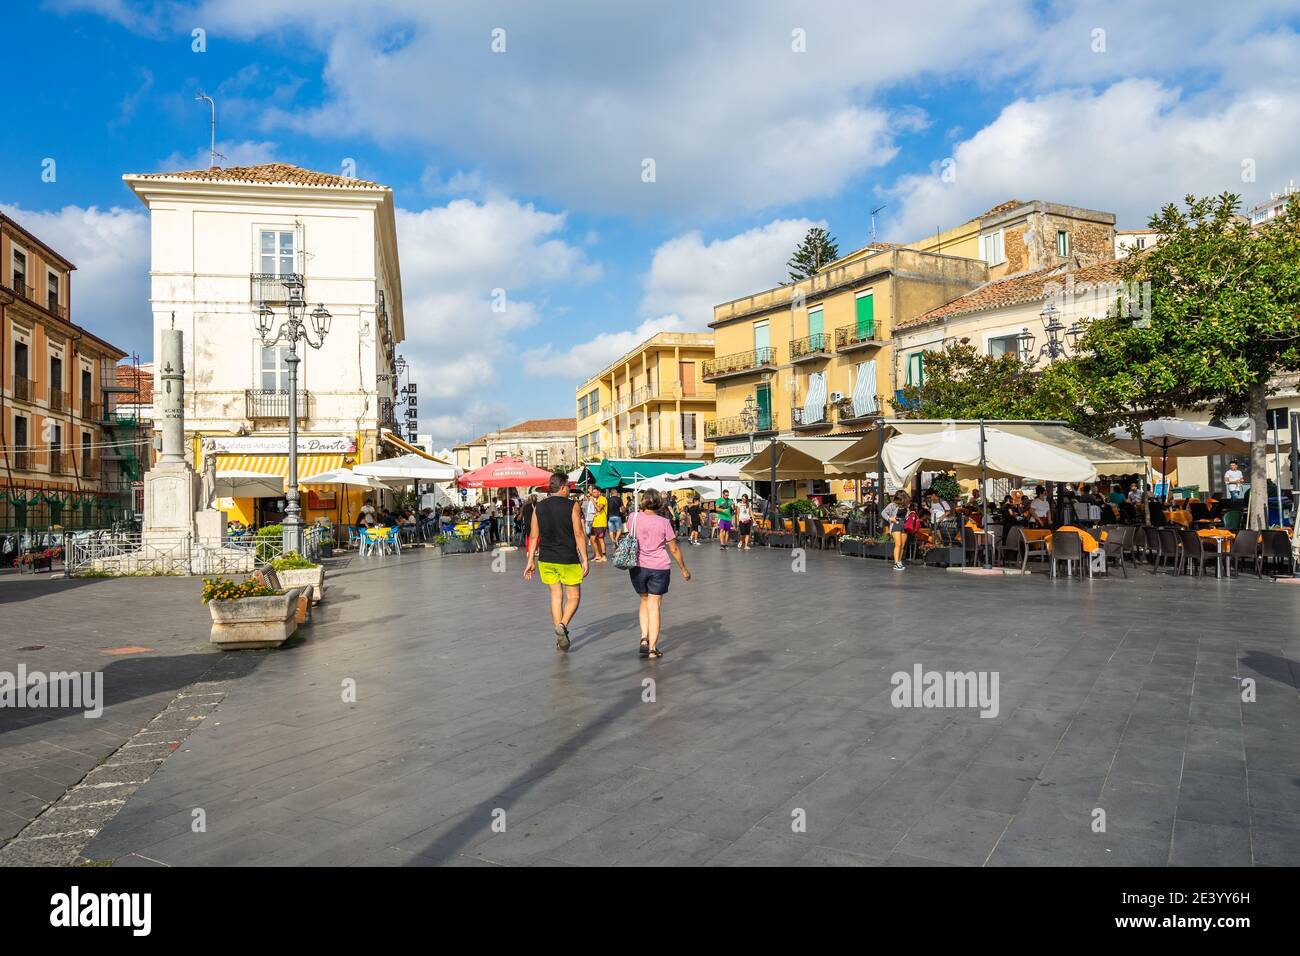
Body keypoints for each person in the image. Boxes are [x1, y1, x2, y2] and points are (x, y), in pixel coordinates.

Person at [524, 472, 590, 651]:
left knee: (555, 596)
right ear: (562, 487)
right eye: (568, 486)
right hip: (567, 558)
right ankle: (562, 626)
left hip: (546, 559)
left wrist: (530, 560)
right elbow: (579, 534)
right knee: (574, 597)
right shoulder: (572, 505)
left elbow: (533, 536)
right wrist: (585, 558)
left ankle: (559, 636)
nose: (569, 489)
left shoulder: (539, 506)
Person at [626, 488, 691, 659]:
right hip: (659, 567)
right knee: (654, 606)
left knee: (644, 600)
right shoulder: (664, 522)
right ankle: (653, 649)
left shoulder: (633, 518)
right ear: (659, 503)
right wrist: (683, 568)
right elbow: (674, 548)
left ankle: (643, 638)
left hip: (638, 566)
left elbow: (631, 532)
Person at [881, 491, 911, 571]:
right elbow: (883, 513)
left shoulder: (906, 506)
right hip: (896, 524)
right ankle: (896, 563)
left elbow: (907, 515)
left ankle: (899, 561)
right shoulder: (892, 505)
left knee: (902, 545)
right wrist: (889, 518)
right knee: (898, 544)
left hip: (904, 525)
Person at [590, 487, 608, 562]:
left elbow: (599, 509)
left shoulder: (602, 499)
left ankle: (604, 556)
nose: (593, 494)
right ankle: (597, 555)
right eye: (593, 492)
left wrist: (593, 502)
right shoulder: (597, 499)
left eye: (595, 492)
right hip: (595, 522)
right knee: (592, 539)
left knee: (600, 539)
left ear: (599, 492)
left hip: (601, 522)